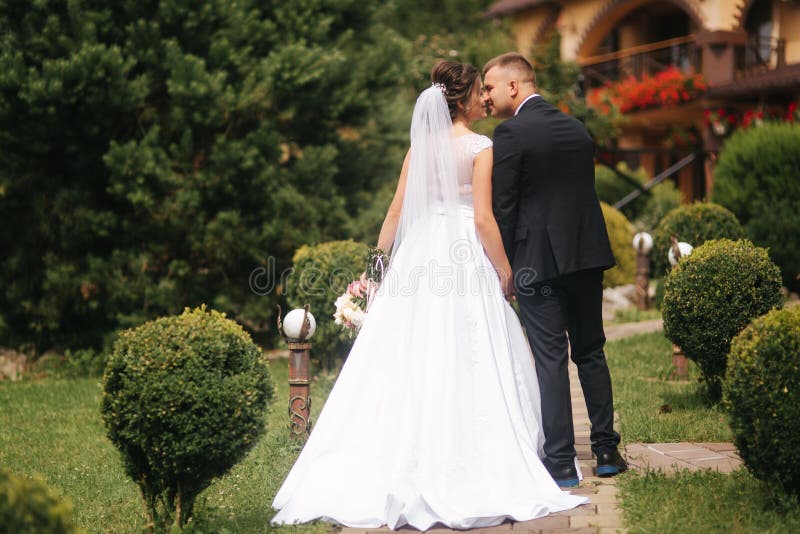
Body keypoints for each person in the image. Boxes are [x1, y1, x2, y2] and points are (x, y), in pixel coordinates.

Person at [270, 61, 586, 530]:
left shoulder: (420, 147)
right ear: (463, 100)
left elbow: (395, 213)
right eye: (478, 92)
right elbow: (483, 219)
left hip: (419, 256)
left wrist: (375, 272)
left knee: (411, 348)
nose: (483, 99)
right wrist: (505, 271)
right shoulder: (481, 147)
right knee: (469, 348)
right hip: (463, 253)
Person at [481, 53, 628, 487]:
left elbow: (504, 207)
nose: (485, 97)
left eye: (489, 87)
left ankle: (562, 462)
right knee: (591, 351)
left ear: (513, 86)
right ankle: (606, 451)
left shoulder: (510, 133)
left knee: (550, 358)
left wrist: (505, 266)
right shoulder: (576, 128)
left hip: (537, 263)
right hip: (586, 256)